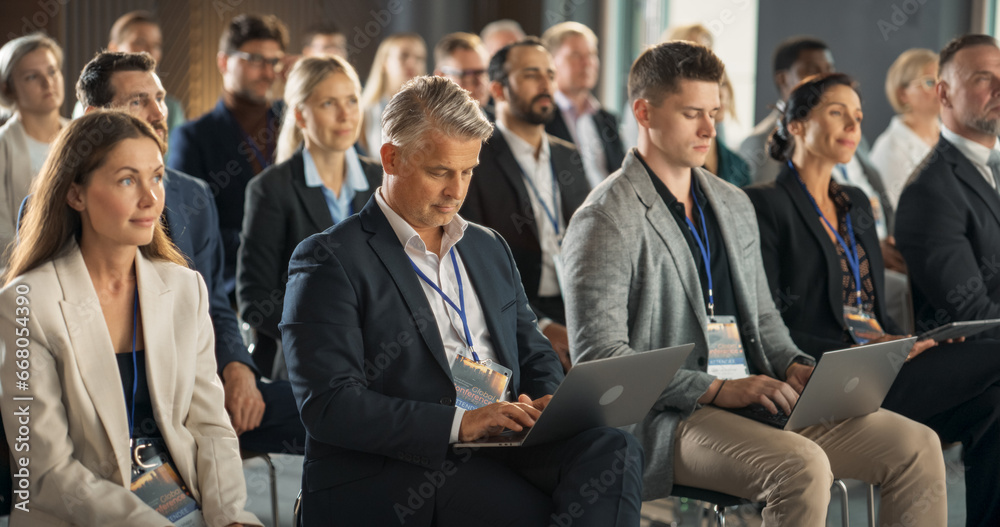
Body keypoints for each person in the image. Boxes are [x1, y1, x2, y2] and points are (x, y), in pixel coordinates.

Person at [561, 40, 946, 525]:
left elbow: (765, 320)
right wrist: (715, 389)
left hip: (757, 395)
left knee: (917, 445)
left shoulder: (732, 202)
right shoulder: (605, 217)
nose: (709, 129)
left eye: (714, 113)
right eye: (692, 114)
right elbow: (601, 360)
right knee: (801, 466)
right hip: (667, 418)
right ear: (644, 112)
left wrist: (795, 364)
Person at [280, 75, 643, 526]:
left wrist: (544, 402)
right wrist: (461, 423)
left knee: (615, 448)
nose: (456, 190)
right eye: (440, 172)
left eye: (468, 171)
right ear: (391, 158)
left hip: (504, 441)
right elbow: (330, 406)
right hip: (401, 465)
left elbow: (533, 350)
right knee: (540, 511)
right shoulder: (328, 259)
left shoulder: (488, 246)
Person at [748, 71, 1000, 527]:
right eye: (837, 112)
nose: (853, 126)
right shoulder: (765, 204)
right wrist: (867, 348)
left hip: (883, 363)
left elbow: (874, 313)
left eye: (858, 116)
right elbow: (767, 321)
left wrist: (905, 341)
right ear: (797, 124)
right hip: (824, 374)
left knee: (994, 407)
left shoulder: (856, 203)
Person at [0, 110, 261, 527]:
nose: (150, 198)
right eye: (127, 180)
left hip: (185, 505)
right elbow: (47, 471)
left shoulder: (185, 288)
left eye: (156, 177)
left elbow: (211, 426)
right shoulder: (26, 302)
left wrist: (229, 517)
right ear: (75, 194)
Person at [77, 50, 305, 454]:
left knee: (325, 410)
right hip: (112, 392)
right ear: (95, 118)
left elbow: (214, 303)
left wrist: (237, 367)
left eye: (160, 98)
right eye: (138, 101)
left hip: (196, 385)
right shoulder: (68, 201)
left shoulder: (194, 194)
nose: (158, 113)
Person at [238, 55, 380, 378]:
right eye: (329, 103)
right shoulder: (271, 189)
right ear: (301, 114)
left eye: (352, 101)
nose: (345, 114)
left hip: (377, 357)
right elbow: (254, 300)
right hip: (303, 361)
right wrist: (330, 332)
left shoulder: (381, 181)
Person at [460, 39, 588, 372]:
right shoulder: (475, 160)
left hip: (576, 307)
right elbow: (473, 260)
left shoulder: (569, 156)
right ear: (498, 89)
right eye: (532, 75)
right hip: (512, 313)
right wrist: (540, 325)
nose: (546, 84)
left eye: (550, 74)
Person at [168, 13, 289, 294]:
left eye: (274, 61)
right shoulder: (194, 137)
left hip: (301, 279)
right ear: (223, 62)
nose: (268, 73)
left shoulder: (295, 122)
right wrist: (262, 243)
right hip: (228, 286)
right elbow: (187, 226)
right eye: (255, 59)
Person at [898, 36, 1000, 341]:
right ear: (944, 94)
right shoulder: (928, 193)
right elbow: (974, 319)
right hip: (979, 363)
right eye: (983, 78)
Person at [0, 33, 67, 254]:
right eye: (32, 77)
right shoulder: (3, 145)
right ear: (8, 88)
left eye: (52, 71)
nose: (48, 83)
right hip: (23, 265)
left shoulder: (84, 135)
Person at [71, 11, 186, 134]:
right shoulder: (88, 107)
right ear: (114, 48)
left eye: (156, 45)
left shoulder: (172, 108)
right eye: (140, 42)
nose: (150, 51)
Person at [541, 22, 625, 188]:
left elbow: (621, 175)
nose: (587, 63)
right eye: (575, 55)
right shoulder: (541, 117)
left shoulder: (607, 119)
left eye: (592, 54)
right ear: (550, 62)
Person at [870, 48, 940, 209]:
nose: (940, 89)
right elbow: (897, 211)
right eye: (929, 82)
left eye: (942, 81)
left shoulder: (952, 136)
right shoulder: (890, 149)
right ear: (903, 94)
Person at [358, 33, 426, 157]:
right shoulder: (363, 112)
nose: (412, 63)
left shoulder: (431, 111)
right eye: (404, 56)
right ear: (384, 62)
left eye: (419, 58)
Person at [433, 32, 490, 107]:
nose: (481, 84)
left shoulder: (498, 113)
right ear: (441, 77)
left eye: (484, 73)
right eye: (468, 75)